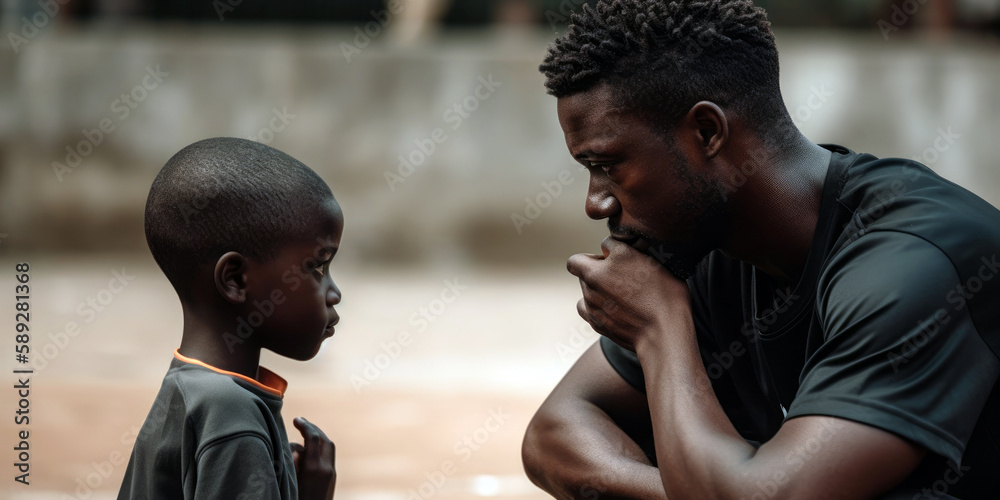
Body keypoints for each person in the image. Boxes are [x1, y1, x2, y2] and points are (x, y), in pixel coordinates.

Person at [521, 1, 1000, 498]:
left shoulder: (912, 262)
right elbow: (553, 435)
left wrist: (660, 331)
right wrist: (700, 488)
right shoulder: (706, 249)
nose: (595, 203)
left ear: (707, 132)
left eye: (608, 164)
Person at [118, 137, 340, 499]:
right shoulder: (233, 420)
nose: (334, 293)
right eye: (316, 267)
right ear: (235, 279)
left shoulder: (191, 389)